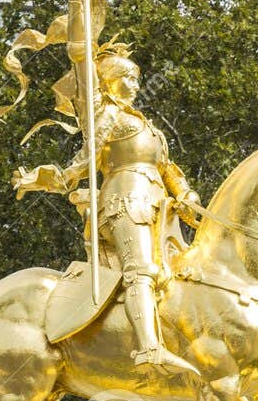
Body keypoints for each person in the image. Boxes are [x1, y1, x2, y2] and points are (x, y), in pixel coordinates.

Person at [13, 44, 202, 379]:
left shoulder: (146, 125)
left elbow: (168, 167)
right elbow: (89, 146)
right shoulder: (107, 114)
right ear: (111, 80)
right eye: (128, 77)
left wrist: (186, 194)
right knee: (140, 270)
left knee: (182, 275)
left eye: (137, 78)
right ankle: (148, 347)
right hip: (125, 202)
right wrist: (81, 47)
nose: (136, 85)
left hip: (160, 207)